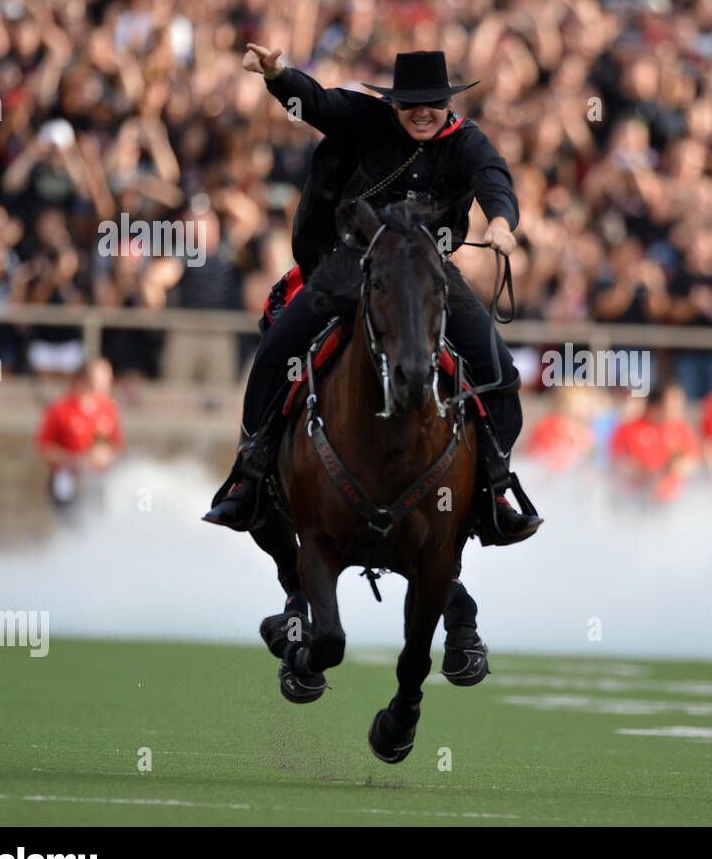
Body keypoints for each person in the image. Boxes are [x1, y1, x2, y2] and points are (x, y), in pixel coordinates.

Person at [203, 47, 541, 547]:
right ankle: (249, 472)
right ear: (394, 102)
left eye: (433, 102)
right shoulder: (366, 119)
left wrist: (499, 223)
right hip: (351, 264)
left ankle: (494, 486)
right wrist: (278, 74)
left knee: (501, 374)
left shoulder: (466, 140)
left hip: (429, 272)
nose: (423, 112)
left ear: (448, 102)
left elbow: (495, 180)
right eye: (411, 103)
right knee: (277, 350)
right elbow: (316, 102)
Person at [35, 359, 123, 510]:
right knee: (67, 505)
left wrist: (102, 456)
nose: (108, 383)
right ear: (84, 381)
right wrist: (72, 460)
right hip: (68, 475)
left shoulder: (107, 408)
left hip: (96, 477)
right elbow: (45, 446)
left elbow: (115, 445)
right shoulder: (60, 409)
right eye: (102, 379)